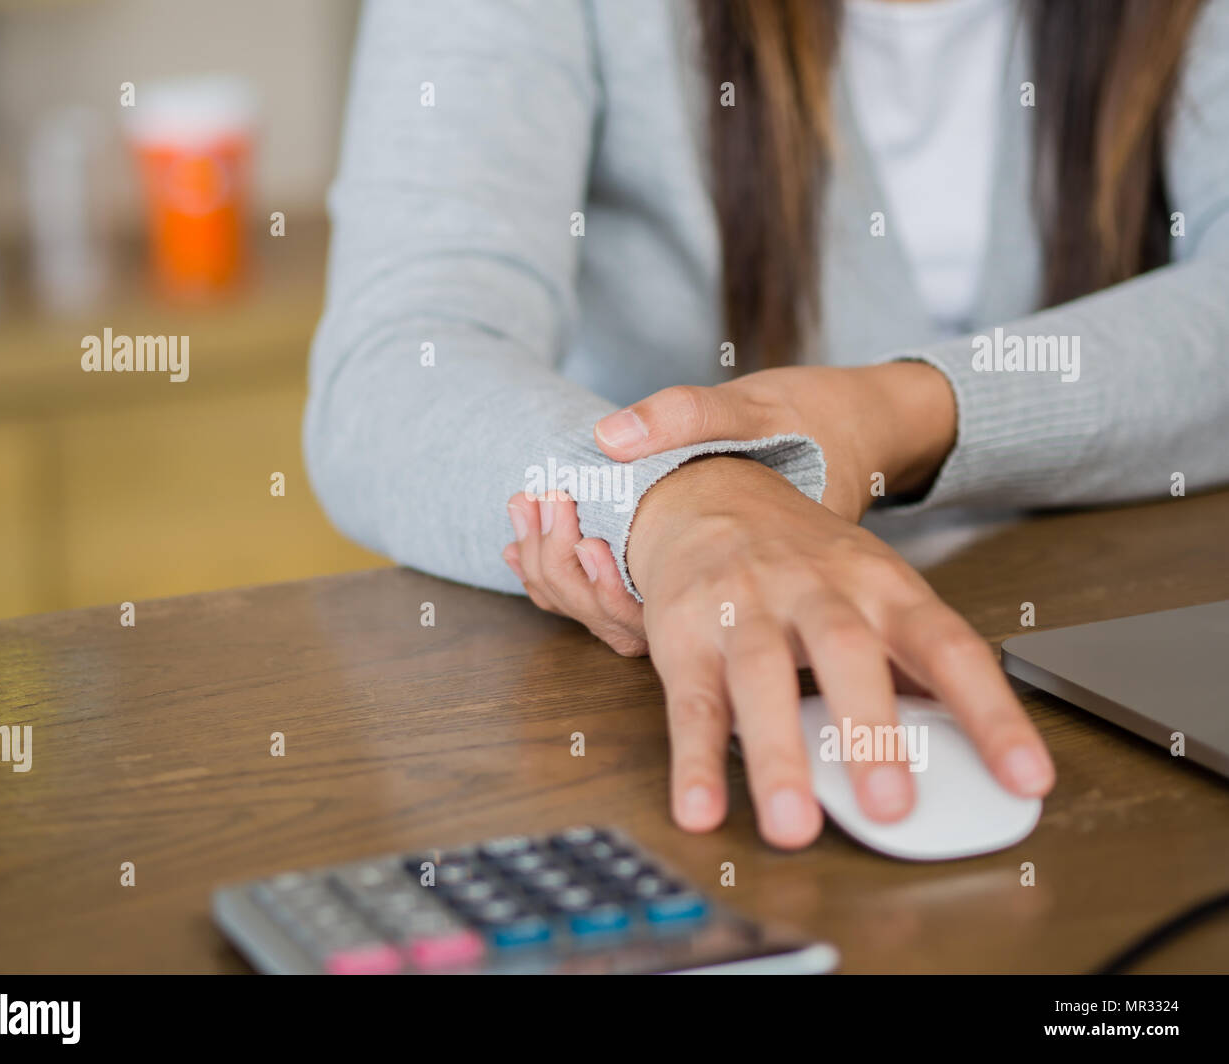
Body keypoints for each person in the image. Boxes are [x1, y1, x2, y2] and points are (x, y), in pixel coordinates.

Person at [304, 0, 1229, 849]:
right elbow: (397, 357)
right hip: (648, 681)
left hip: (1112, 640)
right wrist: (676, 501)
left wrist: (889, 416)